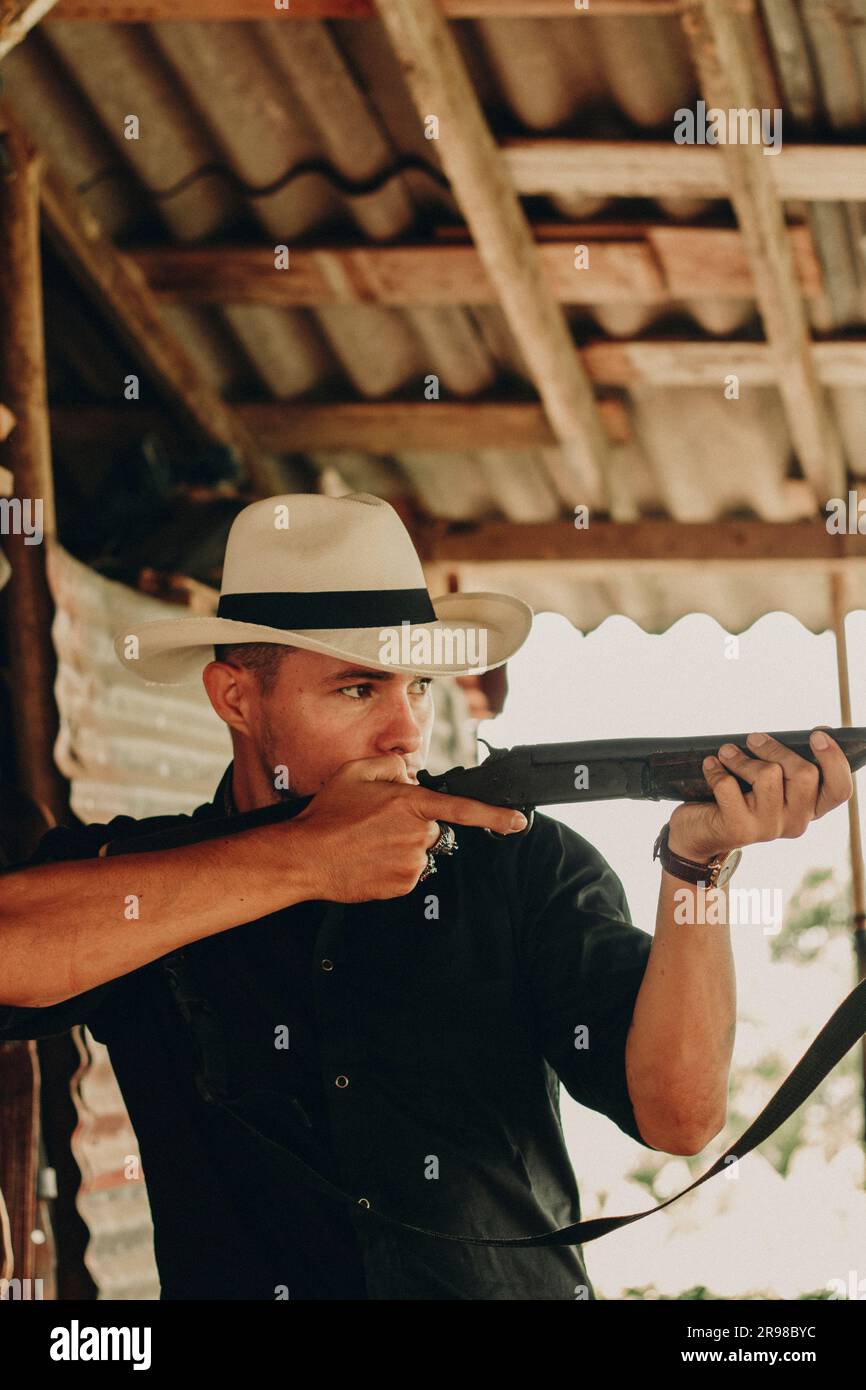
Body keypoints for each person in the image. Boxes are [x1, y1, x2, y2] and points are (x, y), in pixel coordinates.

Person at [0, 492, 853, 1300]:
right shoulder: (136, 873)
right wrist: (304, 861)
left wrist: (696, 870)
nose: (406, 729)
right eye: (358, 689)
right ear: (236, 697)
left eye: (416, 686)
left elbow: (679, 1116)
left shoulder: (520, 860)